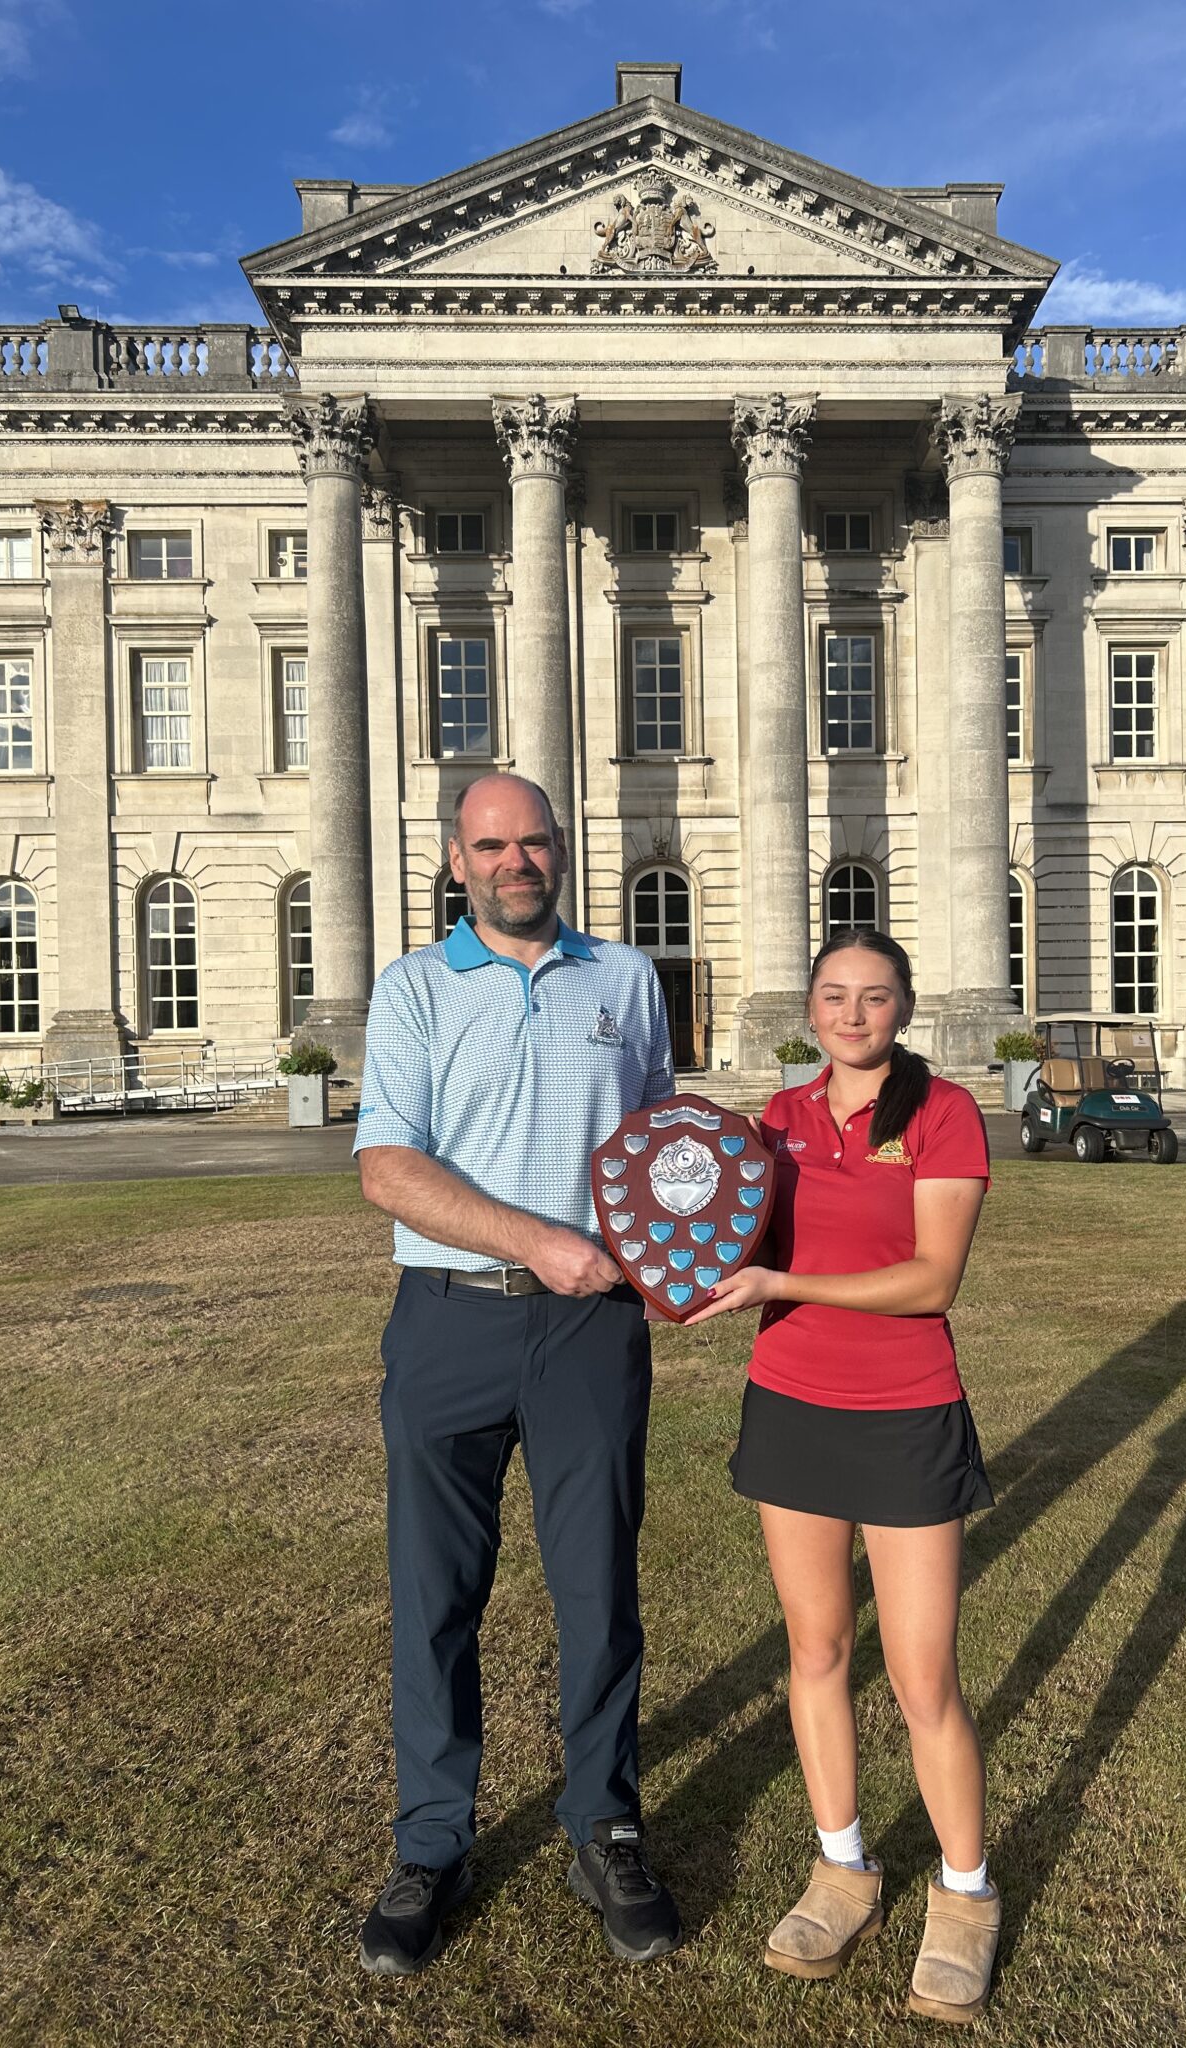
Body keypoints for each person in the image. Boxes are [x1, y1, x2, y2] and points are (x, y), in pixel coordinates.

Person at [352, 772, 682, 1976]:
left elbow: (660, 1142)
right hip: (450, 1321)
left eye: (533, 841)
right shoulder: (414, 986)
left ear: (560, 849)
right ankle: (432, 1843)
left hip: (591, 1329)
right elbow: (388, 1166)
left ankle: (604, 1824)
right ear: (458, 859)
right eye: (491, 845)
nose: (515, 862)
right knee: (436, 1591)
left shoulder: (626, 980)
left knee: (598, 1587)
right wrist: (538, 1239)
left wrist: (690, 1243)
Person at [690, 928, 998, 2026]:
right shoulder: (776, 1120)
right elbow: (727, 1235)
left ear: (903, 1006)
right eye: (834, 995)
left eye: (873, 996)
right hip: (791, 1403)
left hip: (906, 1411)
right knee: (816, 1650)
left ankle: (966, 1893)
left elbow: (932, 1279)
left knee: (923, 1679)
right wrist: (677, 1248)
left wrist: (784, 1280)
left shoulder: (943, 1112)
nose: (852, 1014)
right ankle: (842, 1867)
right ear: (811, 1007)